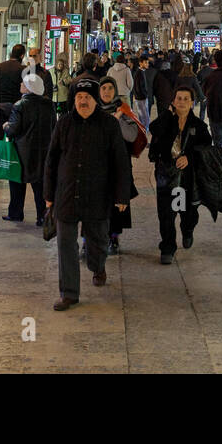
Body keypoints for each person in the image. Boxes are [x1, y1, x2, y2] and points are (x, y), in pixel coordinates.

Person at [45, 79, 132, 310]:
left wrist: (121, 196)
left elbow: (120, 162)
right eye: (79, 98)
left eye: (87, 98)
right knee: (65, 243)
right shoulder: (63, 123)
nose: (83, 101)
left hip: (98, 195)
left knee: (98, 241)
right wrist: (48, 194)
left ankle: (98, 266)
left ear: (95, 101)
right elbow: (51, 160)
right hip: (67, 194)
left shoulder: (109, 125)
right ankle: (69, 293)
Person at [148, 86, 218, 263]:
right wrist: (167, 114)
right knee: (166, 213)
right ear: (173, 101)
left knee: (188, 212)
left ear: (192, 103)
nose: (182, 102)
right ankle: (168, 247)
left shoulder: (199, 126)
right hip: (167, 175)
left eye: (186, 99)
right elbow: (153, 128)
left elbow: (206, 149)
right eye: (178, 98)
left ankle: (187, 230)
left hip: (189, 178)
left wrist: (189, 157)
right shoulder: (165, 121)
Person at [98, 77, 145, 254]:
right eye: (104, 88)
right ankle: (90, 238)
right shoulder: (92, 110)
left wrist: (117, 120)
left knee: (117, 202)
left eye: (111, 88)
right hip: (98, 165)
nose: (107, 91)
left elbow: (133, 135)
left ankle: (114, 237)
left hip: (119, 165)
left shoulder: (124, 110)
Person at [2, 73, 55, 224]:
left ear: (29, 88)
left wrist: (5, 126)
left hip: (21, 151)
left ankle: (16, 213)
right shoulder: (49, 104)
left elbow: (13, 129)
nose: (20, 85)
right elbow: (54, 127)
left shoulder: (20, 105)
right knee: (40, 186)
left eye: (23, 83)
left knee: (17, 183)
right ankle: (42, 216)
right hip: (43, 151)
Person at [131, 56, 151, 124]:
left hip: (140, 97)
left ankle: (144, 129)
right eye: (145, 63)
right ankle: (145, 129)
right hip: (141, 98)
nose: (147, 64)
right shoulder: (139, 73)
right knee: (144, 116)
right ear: (140, 63)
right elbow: (137, 87)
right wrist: (145, 95)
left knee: (143, 115)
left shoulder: (141, 72)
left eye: (148, 63)